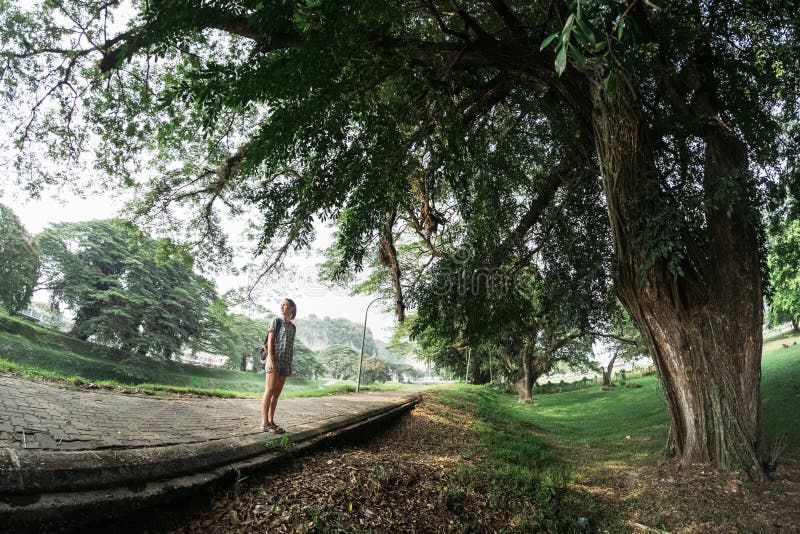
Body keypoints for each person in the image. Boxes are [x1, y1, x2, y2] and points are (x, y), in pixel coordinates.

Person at [260, 298, 297, 433]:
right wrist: (270, 359)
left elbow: (291, 346)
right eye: (281, 305)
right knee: (269, 390)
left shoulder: (293, 327)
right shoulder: (276, 321)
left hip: (285, 363)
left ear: (292, 308)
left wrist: (290, 364)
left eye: (285, 305)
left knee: (276, 394)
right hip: (274, 360)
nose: (282, 307)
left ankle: (271, 422)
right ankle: (264, 423)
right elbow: (270, 342)